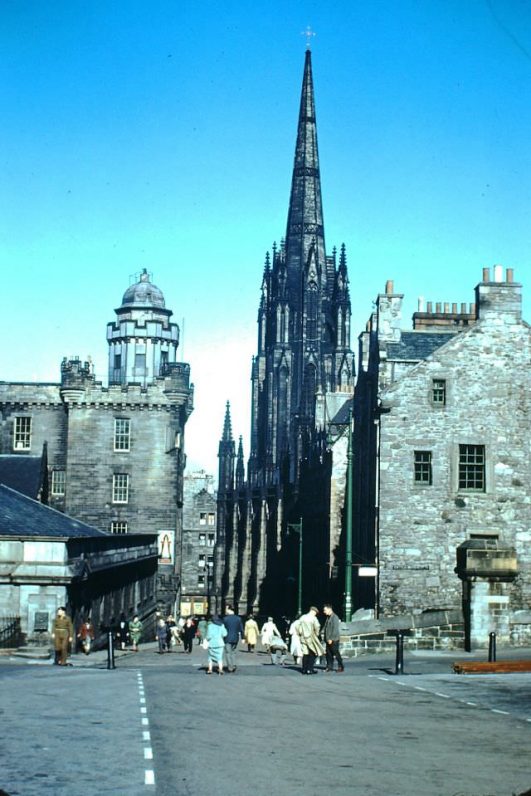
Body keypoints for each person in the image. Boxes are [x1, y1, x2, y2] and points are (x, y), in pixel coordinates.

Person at [298, 606, 325, 675]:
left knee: (305, 653)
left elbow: (298, 626)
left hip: (303, 637)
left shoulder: (303, 617)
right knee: (313, 653)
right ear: (313, 611)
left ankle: (304, 669)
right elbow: (317, 626)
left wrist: (300, 633)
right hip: (311, 637)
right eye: (315, 613)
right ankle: (310, 669)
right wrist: (316, 634)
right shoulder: (313, 618)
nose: (316, 614)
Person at [323, 603, 344, 673]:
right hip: (328, 639)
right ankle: (329, 667)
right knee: (328, 654)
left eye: (325, 610)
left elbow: (335, 629)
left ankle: (341, 666)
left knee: (336, 653)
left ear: (329, 609)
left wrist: (331, 638)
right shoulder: (328, 617)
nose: (324, 612)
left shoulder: (335, 617)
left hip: (334, 639)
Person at [223, 606, 244, 673]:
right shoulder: (238, 618)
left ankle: (230, 667)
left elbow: (223, 629)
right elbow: (241, 629)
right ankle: (234, 664)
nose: (225, 611)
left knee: (228, 653)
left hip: (227, 638)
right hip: (235, 638)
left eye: (226, 609)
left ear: (229, 609)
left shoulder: (225, 619)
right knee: (233, 651)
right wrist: (243, 638)